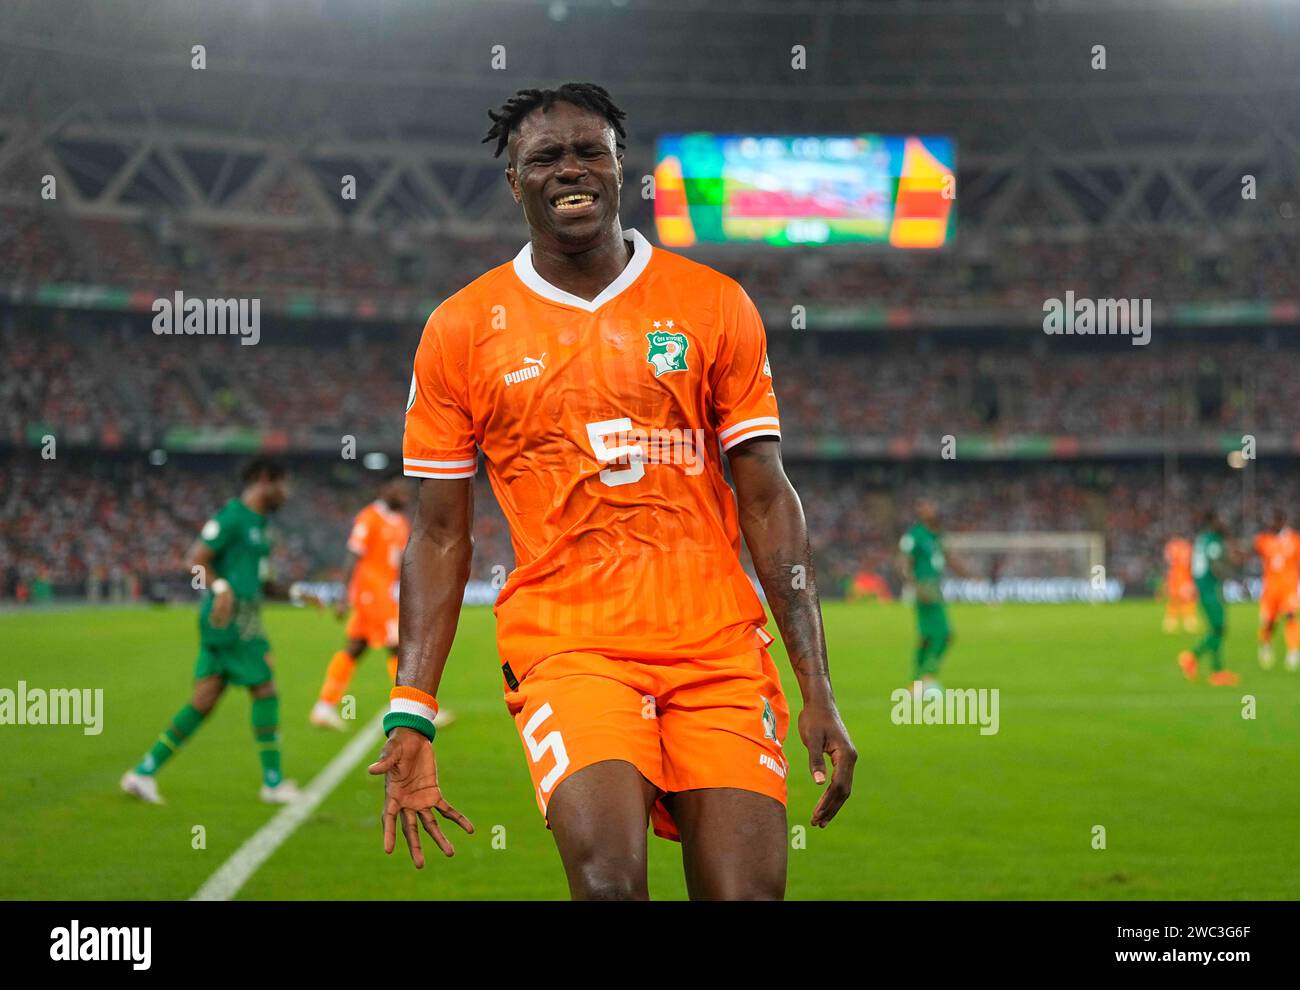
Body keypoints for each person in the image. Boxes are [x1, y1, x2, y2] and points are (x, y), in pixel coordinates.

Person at [369, 82, 856, 900]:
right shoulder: (462, 328)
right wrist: (411, 707)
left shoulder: (713, 304)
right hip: (570, 647)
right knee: (608, 883)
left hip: (716, 651)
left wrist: (817, 686)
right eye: (546, 157)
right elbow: (439, 534)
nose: (572, 170)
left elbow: (769, 501)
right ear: (514, 181)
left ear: (621, 166)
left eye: (591, 150)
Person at [121, 458, 300, 804]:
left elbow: (262, 583)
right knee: (264, 688)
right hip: (231, 619)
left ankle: (143, 773)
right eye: (283, 484)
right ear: (265, 480)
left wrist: (297, 594)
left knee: (204, 699)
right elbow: (194, 561)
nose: (286, 493)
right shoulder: (233, 517)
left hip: (241, 617)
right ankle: (273, 784)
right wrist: (219, 588)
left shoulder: (260, 526)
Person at [311, 474, 412, 730]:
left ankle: (324, 706)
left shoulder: (401, 523)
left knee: (355, 647)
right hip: (369, 592)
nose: (404, 494)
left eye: (406, 490)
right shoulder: (369, 518)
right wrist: (344, 595)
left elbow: (399, 562)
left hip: (385, 592)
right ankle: (411, 707)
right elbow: (353, 556)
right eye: (398, 489)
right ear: (384, 489)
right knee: (397, 646)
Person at [1178, 510, 1240, 686]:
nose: (1223, 523)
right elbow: (1215, 565)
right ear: (1212, 521)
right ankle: (1192, 656)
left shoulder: (1201, 539)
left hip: (1204, 587)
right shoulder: (1212, 539)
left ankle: (1216, 671)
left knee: (1216, 628)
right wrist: (1234, 578)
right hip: (1209, 589)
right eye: (1219, 520)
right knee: (1219, 628)